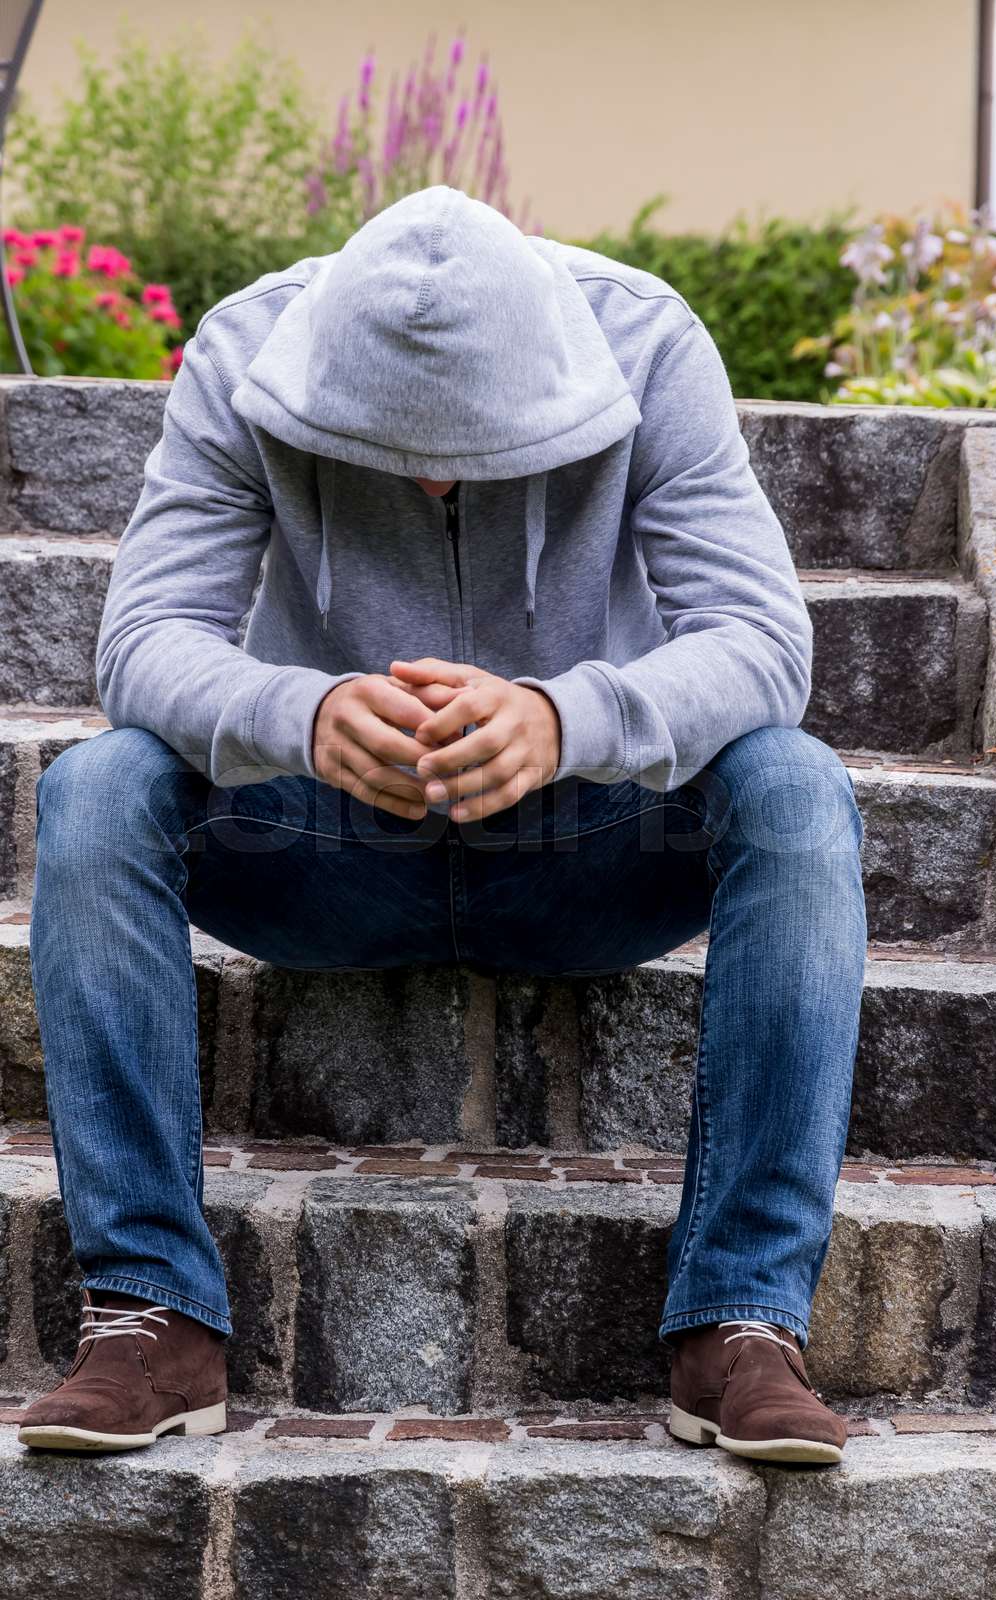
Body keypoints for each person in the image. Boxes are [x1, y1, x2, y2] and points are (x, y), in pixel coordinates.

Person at [20, 185, 865, 1460]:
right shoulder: (246, 350)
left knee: (796, 784)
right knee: (96, 786)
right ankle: (150, 1315)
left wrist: (564, 718)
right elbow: (141, 641)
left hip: (588, 853)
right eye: (380, 450)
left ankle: (740, 1322)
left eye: (482, 452)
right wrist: (300, 712)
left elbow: (762, 643)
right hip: (322, 854)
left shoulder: (645, 342)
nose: (431, 479)